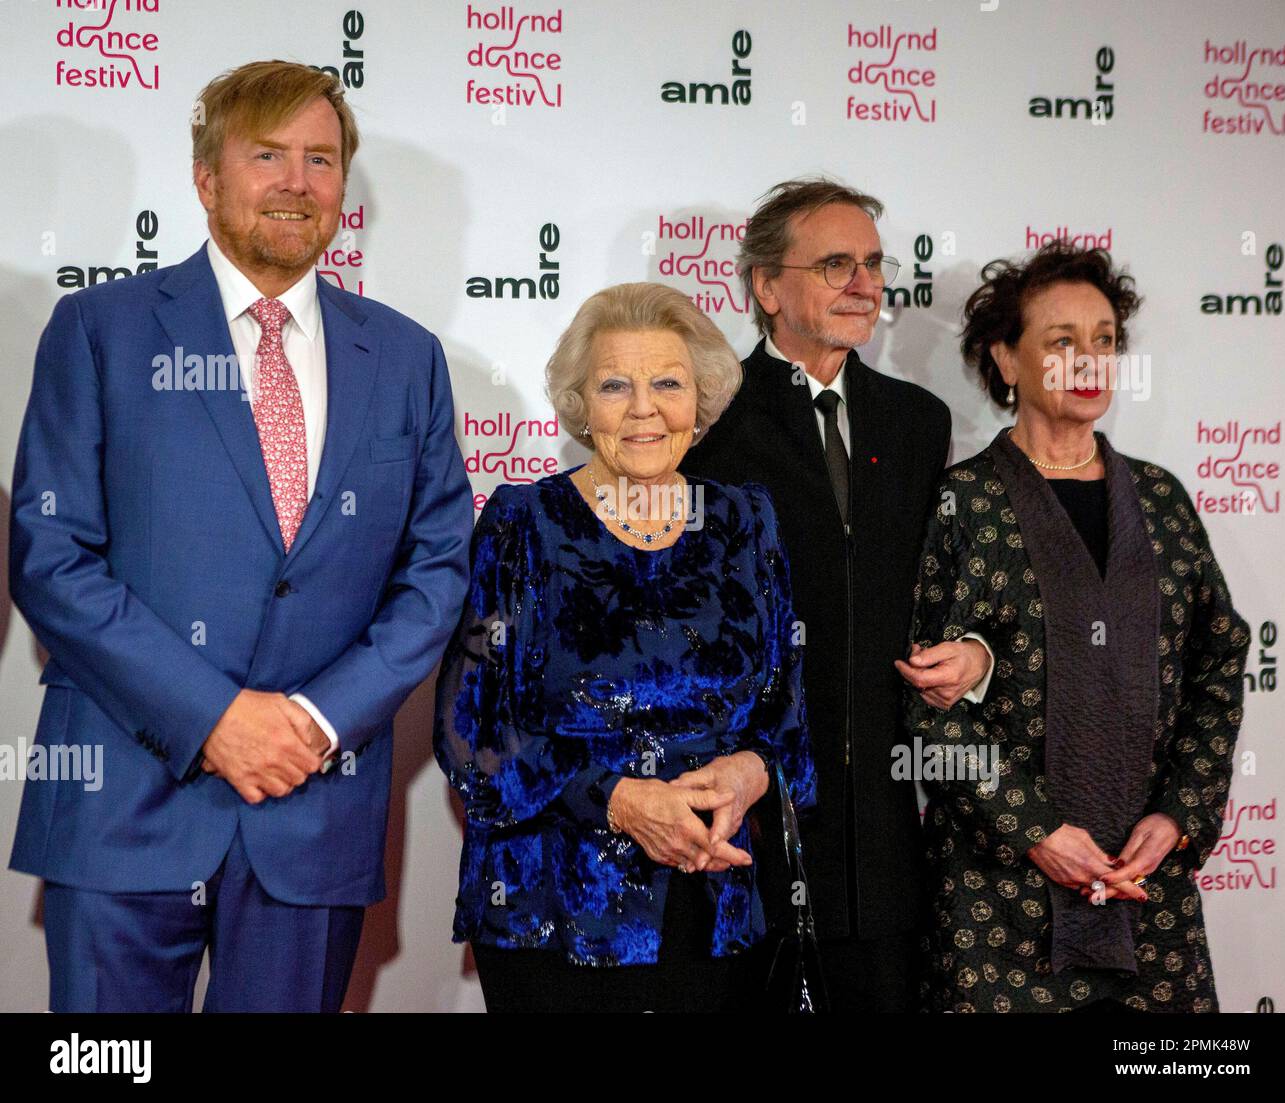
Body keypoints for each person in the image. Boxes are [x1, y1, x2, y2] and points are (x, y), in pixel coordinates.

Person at [7, 60, 473, 1012]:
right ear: (205, 176)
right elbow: (50, 558)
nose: (298, 182)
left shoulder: (406, 359)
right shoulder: (100, 329)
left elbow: (435, 572)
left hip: (315, 806)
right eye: (267, 155)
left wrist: (313, 721)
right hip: (124, 805)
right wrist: (214, 719)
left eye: (322, 159)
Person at [433, 282, 816, 1013]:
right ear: (582, 403)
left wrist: (750, 772)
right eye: (616, 384)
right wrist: (614, 799)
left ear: (701, 398)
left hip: (711, 907)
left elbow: (786, 717)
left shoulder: (745, 521)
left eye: (667, 382)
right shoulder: (522, 523)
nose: (644, 407)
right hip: (549, 909)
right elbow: (469, 731)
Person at [908, 241, 1248, 1012]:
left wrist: (1179, 814)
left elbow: (1219, 661)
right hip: (998, 902)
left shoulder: (1160, 500)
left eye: (1103, 340)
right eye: (1061, 342)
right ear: (1005, 359)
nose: (1088, 359)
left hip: (1145, 887)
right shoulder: (965, 502)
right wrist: (1036, 829)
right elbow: (928, 704)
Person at [680, 178, 991, 1011]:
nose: (864, 283)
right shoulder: (707, 420)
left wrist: (975, 652)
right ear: (767, 286)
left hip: (888, 837)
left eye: (872, 264)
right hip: (749, 831)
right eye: (835, 264)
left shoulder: (917, 422)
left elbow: (948, 588)